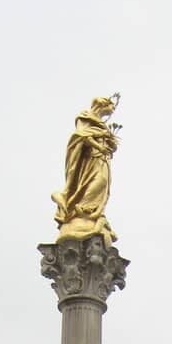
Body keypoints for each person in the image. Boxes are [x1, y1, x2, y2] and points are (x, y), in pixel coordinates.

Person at [51, 94, 121, 244]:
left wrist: (110, 144)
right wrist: (99, 144)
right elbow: (81, 136)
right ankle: (83, 209)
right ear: (103, 105)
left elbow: (107, 143)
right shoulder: (85, 117)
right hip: (90, 159)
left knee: (103, 183)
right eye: (111, 107)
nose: (112, 110)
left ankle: (92, 212)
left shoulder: (103, 126)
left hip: (102, 159)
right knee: (98, 181)